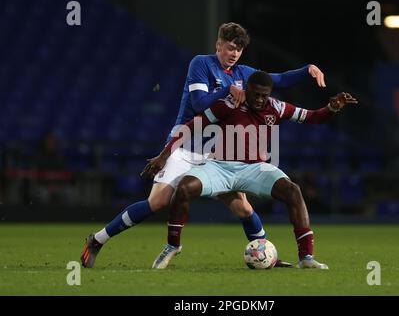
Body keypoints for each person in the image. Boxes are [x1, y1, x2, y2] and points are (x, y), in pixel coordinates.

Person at [81, 22, 327, 269]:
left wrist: (308, 70)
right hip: (185, 144)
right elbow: (199, 104)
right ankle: (98, 240)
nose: (234, 54)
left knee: (243, 208)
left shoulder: (243, 73)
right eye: (230, 48)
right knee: (157, 202)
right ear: (218, 44)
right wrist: (228, 91)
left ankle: (266, 257)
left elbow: (279, 79)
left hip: (215, 155)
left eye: (239, 50)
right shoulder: (201, 63)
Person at [146, 71, 357, 269]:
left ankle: (306, 257)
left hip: (255, 168)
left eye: (264, 95)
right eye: (255, 94)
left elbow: (313, 117)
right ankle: (173, 245)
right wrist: (164, 155)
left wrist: (332, 108)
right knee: (183, 188)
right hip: (220, 167)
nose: (259, 99)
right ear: (247, 89)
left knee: (293, 191)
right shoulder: (228, 104)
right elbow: (192, 126)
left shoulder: (277, 107)